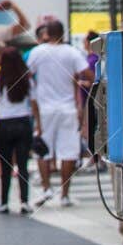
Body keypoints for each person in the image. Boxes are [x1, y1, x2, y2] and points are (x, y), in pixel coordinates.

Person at [25, 19, 91, 207]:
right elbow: (88, 74)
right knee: (68, 152)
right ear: (63, 33)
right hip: (68, 108)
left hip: (45, 110)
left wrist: (34, 92)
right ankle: (64, 194)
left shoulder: (37, 52)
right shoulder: (72, 52)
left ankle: (46, 188)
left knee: (42, 150)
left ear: (46, 34)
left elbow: (26, 76)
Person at [0, 45, 39, 215]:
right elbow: (34, 105)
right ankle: (24, 202)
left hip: (4, 124)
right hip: (23, 123)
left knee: (6, 165)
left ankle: (3, 203)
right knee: (23, 165)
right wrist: (38, 124)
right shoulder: (27, 80)